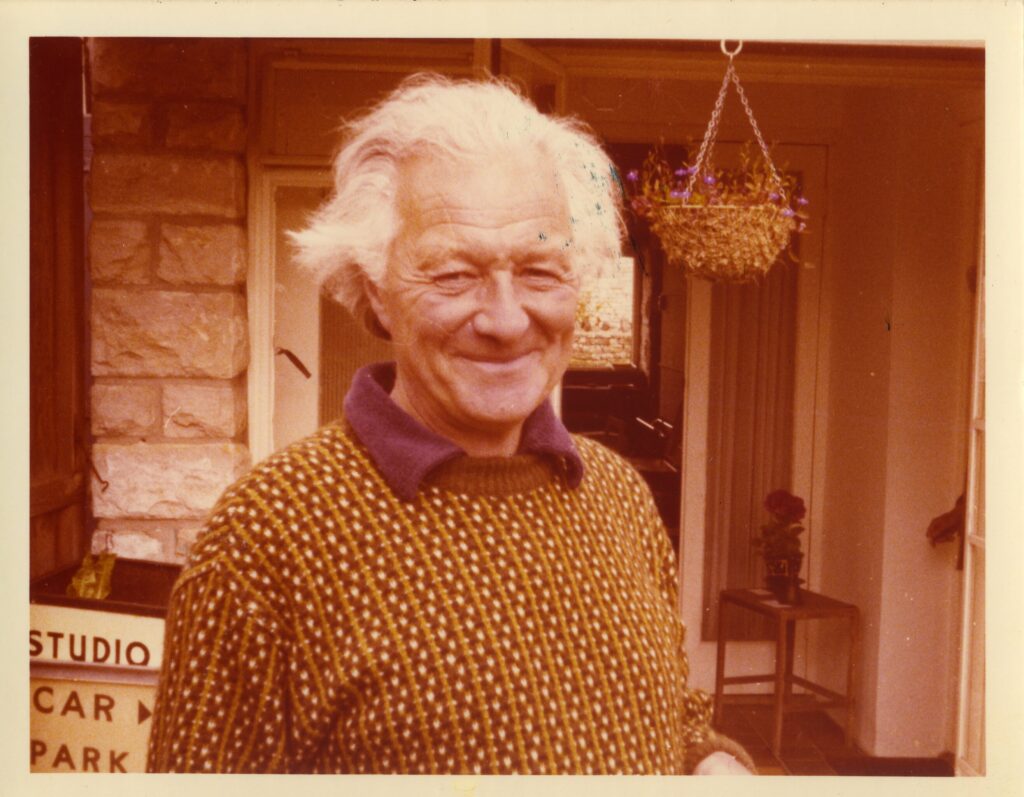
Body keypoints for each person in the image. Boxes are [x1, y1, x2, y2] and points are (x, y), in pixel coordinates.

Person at [147, 74, 753, 775]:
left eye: (538, 271)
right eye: (454, 275)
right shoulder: (269, 537)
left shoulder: (616, 493)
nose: (504, 319)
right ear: (376, 285)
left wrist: (710, 760)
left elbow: (666, 717)